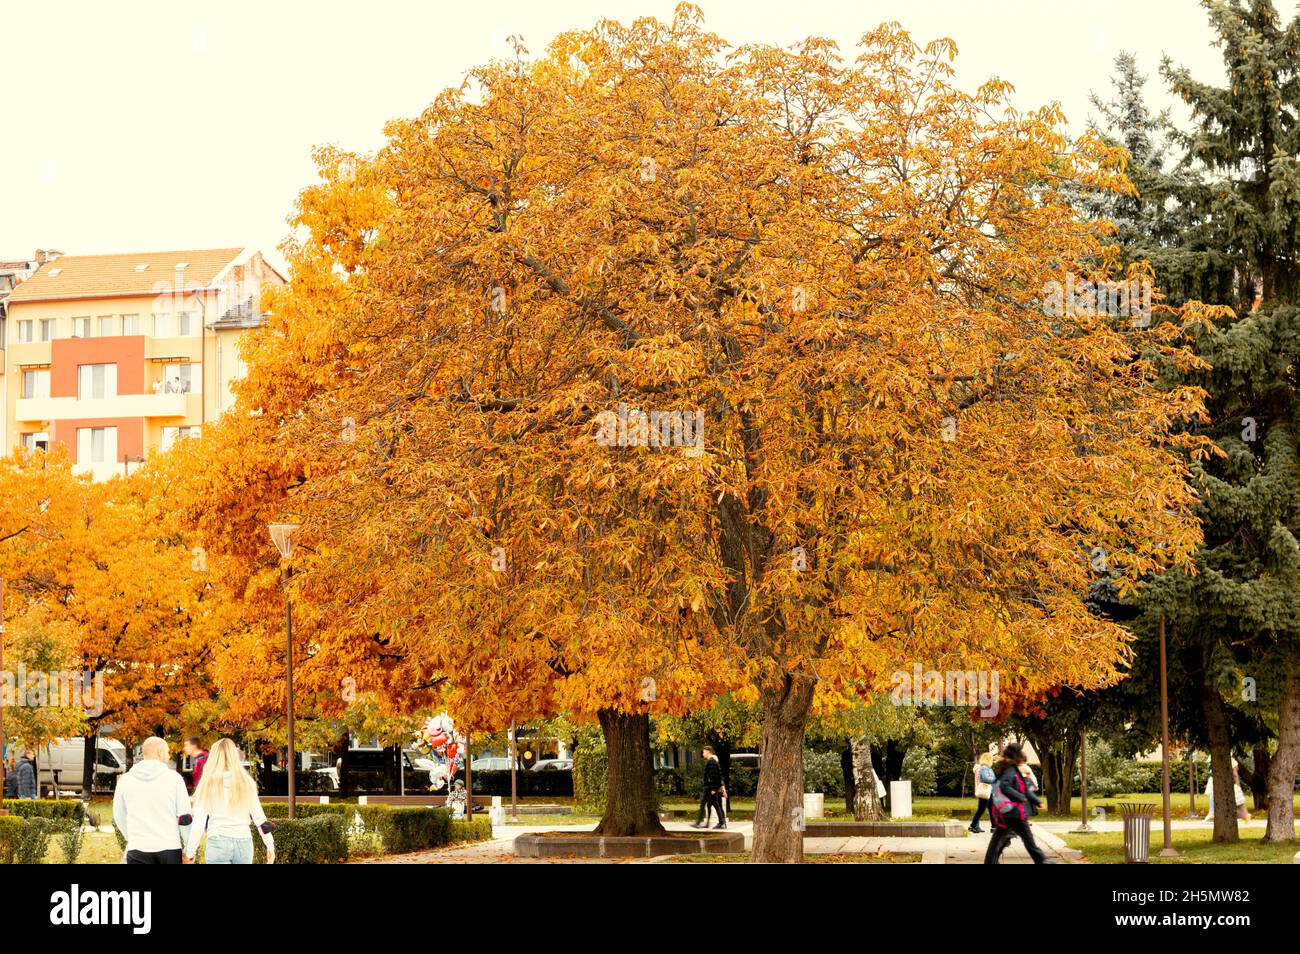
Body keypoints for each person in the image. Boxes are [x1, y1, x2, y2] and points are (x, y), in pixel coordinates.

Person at [183, 739, 274, 865]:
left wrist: (190, 853)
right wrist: (270, 845)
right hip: (244, 842)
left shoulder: (207, 783)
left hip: (217, 841)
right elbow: (260, 819)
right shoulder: (246, 782)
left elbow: (199, 821)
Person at [113, 736, 192, 864]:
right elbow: (185, 817)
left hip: (138, 847)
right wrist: (189, 850)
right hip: (169, 847)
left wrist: (132, 837)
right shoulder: (174, 779)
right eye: (167, 752)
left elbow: (119, 815)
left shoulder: (125, 781)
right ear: (160, 753)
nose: (168, 755)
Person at [983, 743, 1051, 865]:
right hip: (1016, 814)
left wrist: (1037, 802)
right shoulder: (1010, 771)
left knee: (997, 842)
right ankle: (1042, 861)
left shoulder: (1011, 770)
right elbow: (1005, 787)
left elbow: (1024, 789)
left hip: (1007, 815)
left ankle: (990, 862)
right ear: (1017, 757)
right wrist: (1021, 798)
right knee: (1029, 841)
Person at [692, 745, 727, 830]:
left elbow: (714, 776)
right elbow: (719, 776)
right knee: (715, 804)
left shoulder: (711, 762)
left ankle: (698, 822)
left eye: (704, 752)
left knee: (703, 804)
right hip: (711, 787)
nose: (703, 753)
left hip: (709, 788)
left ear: (708, 751)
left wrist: (714, 789)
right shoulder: (713, 761)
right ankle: (721, 823)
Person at [969, 752, 996, 833]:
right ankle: (973, 826)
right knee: (981, 809)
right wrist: (995, 779)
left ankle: (994, 827)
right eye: (991, 759)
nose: (992, 761)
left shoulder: (987, 768)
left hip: (989, 791)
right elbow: (984, 779)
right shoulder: (984, 768)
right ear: (988, 759)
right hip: (985, 791)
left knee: (992, 809)